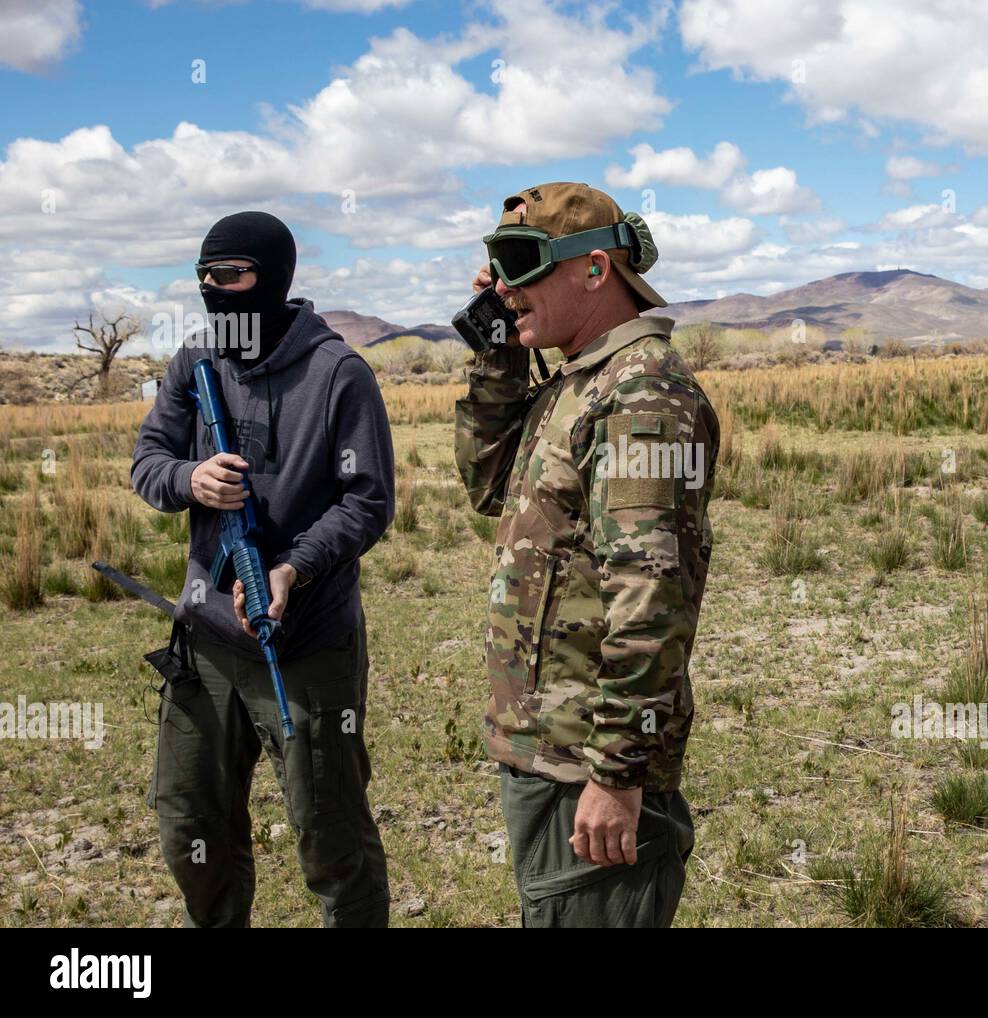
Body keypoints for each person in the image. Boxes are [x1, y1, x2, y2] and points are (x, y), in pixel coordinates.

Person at [455, 182, 718, 927]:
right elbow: (488, 488)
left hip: (587, 764)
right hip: (549, 749)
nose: (503, 288)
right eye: (495, 268)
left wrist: (617, 774)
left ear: (597, 270)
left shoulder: (642, 396)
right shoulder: (578, 382)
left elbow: (652, 597)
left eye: (521, 263)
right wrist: (498, 357)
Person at [131, 210, 395, 927]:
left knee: (330, 840)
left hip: (303, 643)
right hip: (205, 642)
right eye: (204, 278)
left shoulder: (338, 373)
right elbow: (147, 463)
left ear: (273, 278)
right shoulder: (194, 362)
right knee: (191, 832)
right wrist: (191, 478)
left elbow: (369, 501)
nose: (215, 291)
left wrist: (292, 568)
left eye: (231, 276)